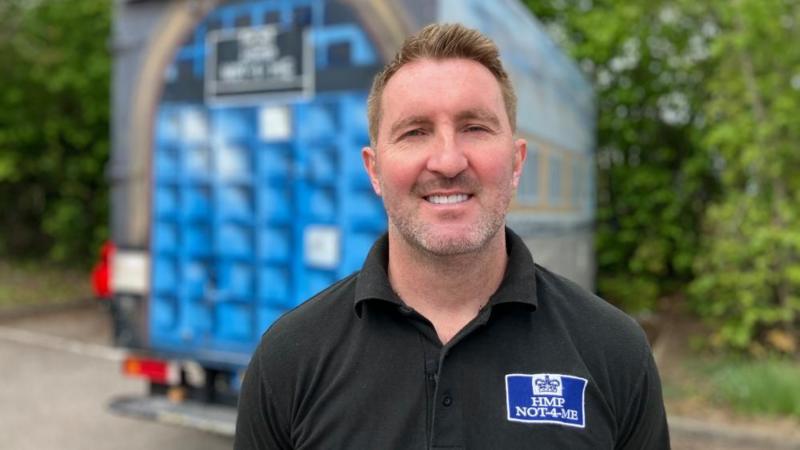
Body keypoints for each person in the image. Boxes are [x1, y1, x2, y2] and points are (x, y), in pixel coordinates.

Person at [235, 23, 670, 449]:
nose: (446, 161)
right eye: (415, 132)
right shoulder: (289, 358)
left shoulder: (614, 352)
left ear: (516, 162)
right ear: (375, 171)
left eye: (475, 128)